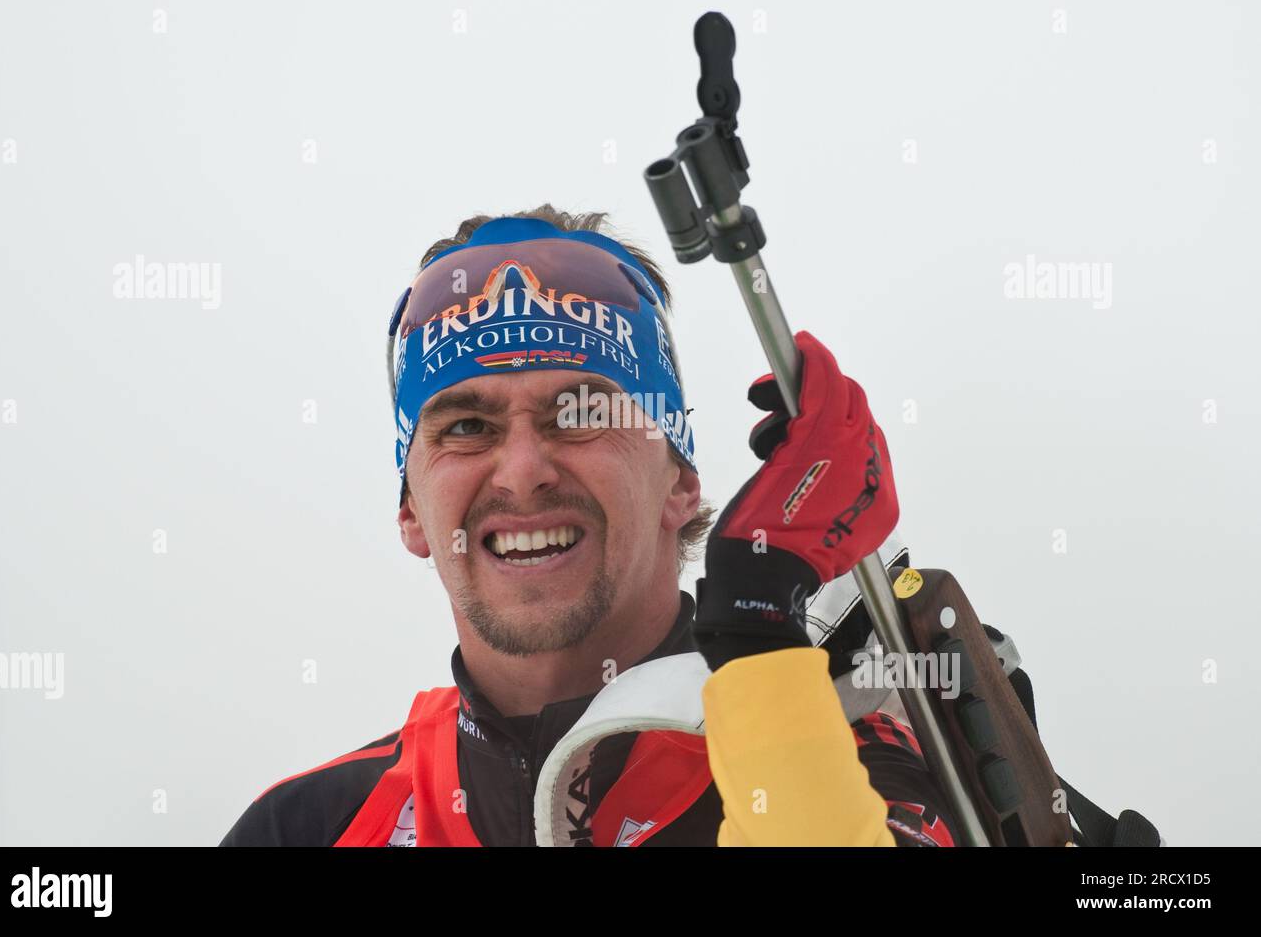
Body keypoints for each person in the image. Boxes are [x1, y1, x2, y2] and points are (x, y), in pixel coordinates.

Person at [221, 205, 957, 847]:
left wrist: (757, 627)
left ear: (680, 480)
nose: (521, 471)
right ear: (411, 508)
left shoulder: (862, 767)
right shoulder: (308, 826)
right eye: (468, 427)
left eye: (579, 414)